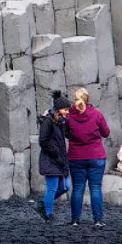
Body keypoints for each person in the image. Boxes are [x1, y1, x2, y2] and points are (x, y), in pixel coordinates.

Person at [66, 87, 111, 227]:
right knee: (95, 188)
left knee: (78, 188)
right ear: (88, 99)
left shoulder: (69, 116)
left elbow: (66, 133)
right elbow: (106, 133)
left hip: (76, 157)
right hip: (96, 156)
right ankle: (98, 220)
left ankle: (75, 220)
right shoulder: (97, 114)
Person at [37, 91, 72, 221]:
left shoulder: (61, 122)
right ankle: (48, 214)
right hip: (50, 159)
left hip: (59, 159)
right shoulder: (48, 121)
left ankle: (44, 204)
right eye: (65, 109)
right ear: (58, 109)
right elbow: (43, 141)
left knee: (65, 186)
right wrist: (55, 153)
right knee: (52, 188)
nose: (67, 112)